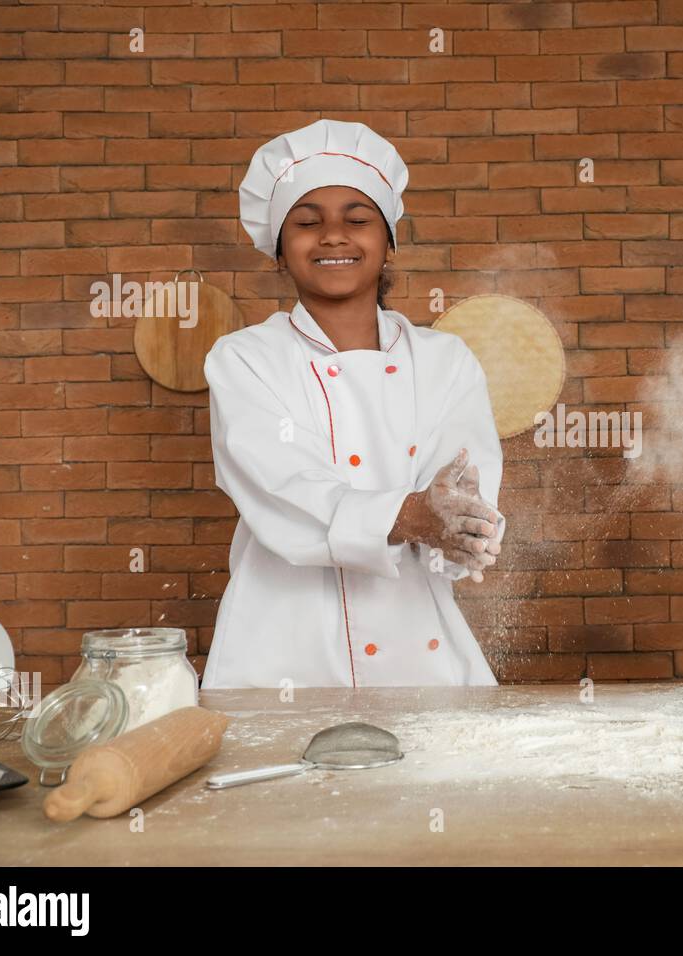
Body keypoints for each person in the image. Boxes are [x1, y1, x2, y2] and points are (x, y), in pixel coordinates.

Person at [201, 119, 504, 689]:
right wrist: (413, 514)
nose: (334, 236)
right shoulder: (244, 359)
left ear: (390, 240)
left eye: (358, 220)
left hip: (422, 650)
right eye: (307, 222)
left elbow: (466, 495)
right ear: (278, 248)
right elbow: (283, 489)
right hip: (279, 656)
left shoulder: (445, 360)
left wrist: (463, 528)